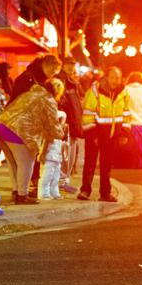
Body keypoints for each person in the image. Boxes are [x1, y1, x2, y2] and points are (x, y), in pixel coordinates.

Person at [0, 79, 64, 205]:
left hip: (1, 126)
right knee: (26, 163)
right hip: (19, 130)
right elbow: (53, 126)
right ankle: (22, 195)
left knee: (13, 163)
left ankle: (16, 192)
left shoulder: (29, 94)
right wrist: (62, 131)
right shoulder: (48, 99)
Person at [77, 66, 129, 203]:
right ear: (106, 78)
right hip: (95, 134)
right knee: (90, 163)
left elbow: (126, 113)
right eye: (112, 77)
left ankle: (105, 193)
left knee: (106, 166)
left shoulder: (123, 93)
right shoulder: (95, 91)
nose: (115, 81)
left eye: (118, 78)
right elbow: (88, 114)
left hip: (111, 136)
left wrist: (124, 133)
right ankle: (85, 190)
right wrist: (93, 134)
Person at [56, 57, 83, 192]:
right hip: (66, 123)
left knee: (70, 152)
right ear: (63, 65)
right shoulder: (60, 81)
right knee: (65, 153)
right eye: (68, 64)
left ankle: (64, 180)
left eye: (73, 64)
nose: (71, 67)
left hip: (73, 122)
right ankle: (62, 181)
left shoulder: (73, 82)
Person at [39, 110, 67, 200]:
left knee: (56, 176)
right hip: (50, 156)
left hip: (57, 157)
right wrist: (43, 154)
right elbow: (46, 144)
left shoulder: (60, 131)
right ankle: (44, 193)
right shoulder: (50, 132)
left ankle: (54, 192)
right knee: (47, 175)